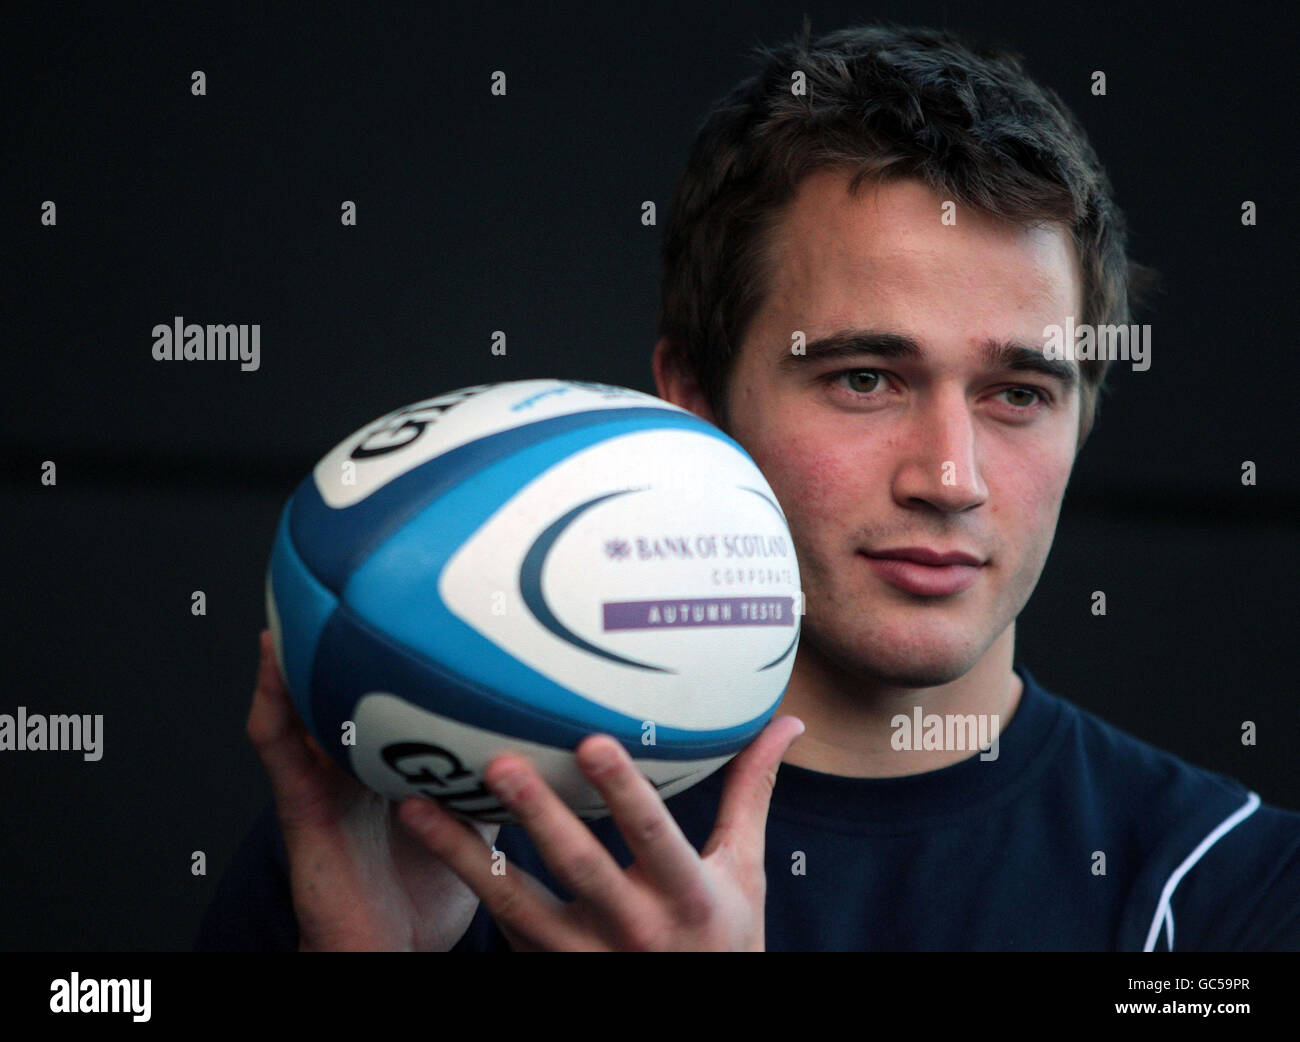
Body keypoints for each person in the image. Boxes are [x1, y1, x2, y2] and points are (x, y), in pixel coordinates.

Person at [196, 21, 1300, 952]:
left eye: (1018, 392)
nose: (950, 478)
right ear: (691, 400)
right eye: (865, 378)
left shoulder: (1219, 889)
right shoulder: (445, 812)